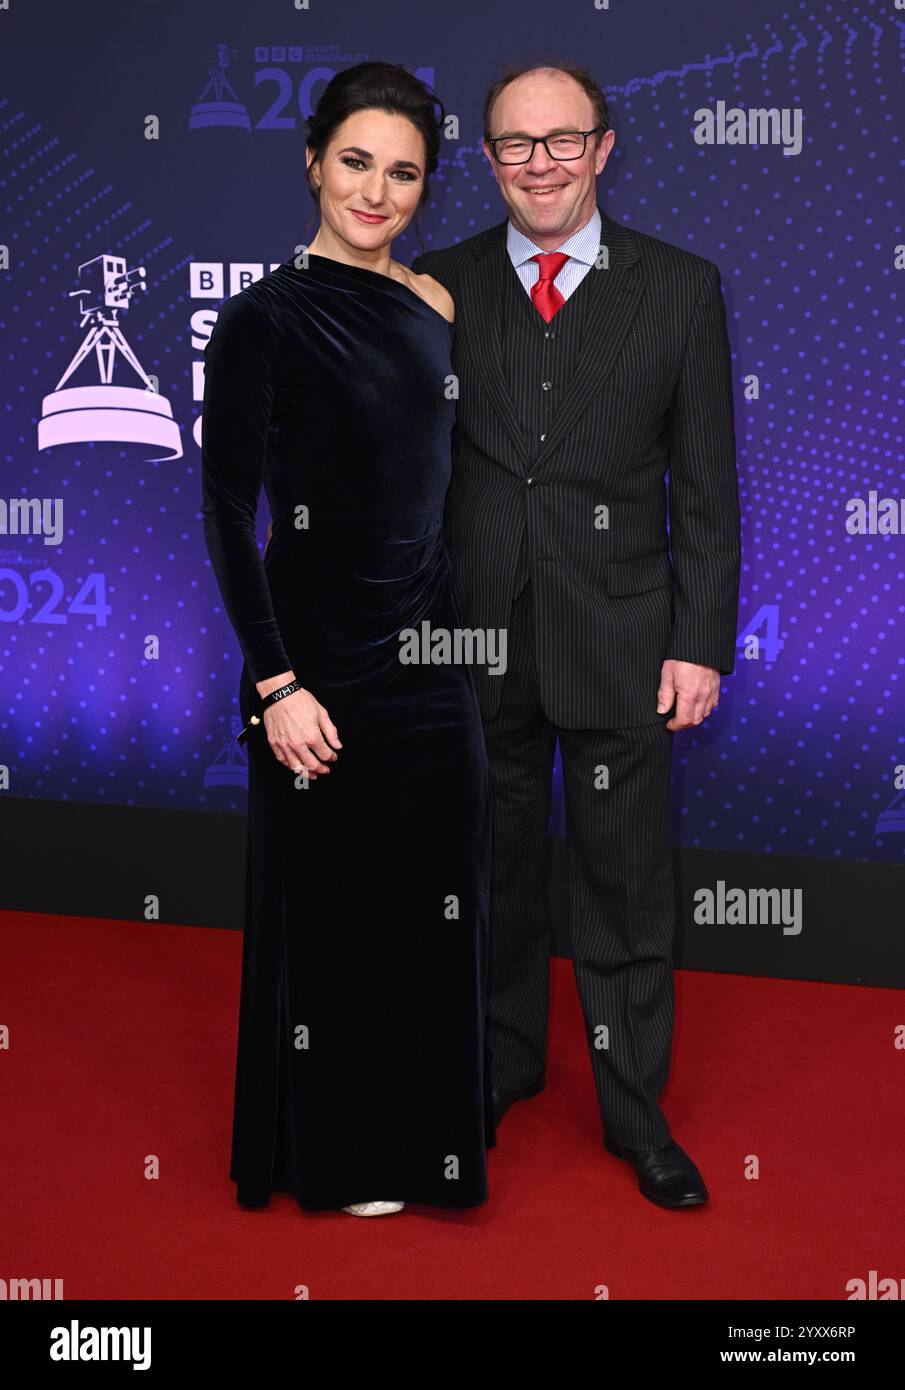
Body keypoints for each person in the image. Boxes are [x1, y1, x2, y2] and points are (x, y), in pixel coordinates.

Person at [412, 61, 741, 1208]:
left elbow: (705, 488)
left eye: (561, 141)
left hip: (619, 642)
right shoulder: (439, 286)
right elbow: (406, 477)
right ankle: (496, 1072)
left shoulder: (680, 288)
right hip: (474, 644)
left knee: (621, 888)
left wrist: (698, 642)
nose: (539, 164)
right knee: (488, 879)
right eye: (514, 144)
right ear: (487, 159)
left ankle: (634, 1115)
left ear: (603, 149)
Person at [201, 61, 494, 1217]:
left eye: (404, 172)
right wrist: (276, 684)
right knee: (334, 918)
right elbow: (228, 514)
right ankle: (339, 1153)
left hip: (429, 663)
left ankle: (428, 1140)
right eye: (356, 162)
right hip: (316, 662)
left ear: (425, 187)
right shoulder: (265, 318)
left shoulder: (432, 307)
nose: (377, 191)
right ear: (312, 161)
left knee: (434, 903)